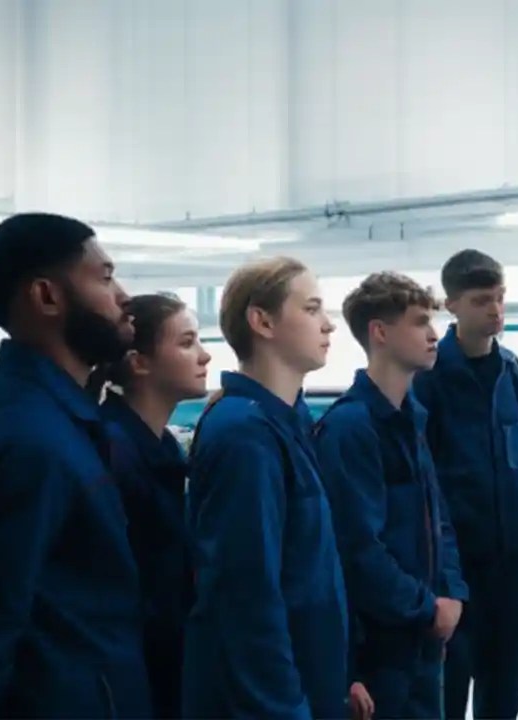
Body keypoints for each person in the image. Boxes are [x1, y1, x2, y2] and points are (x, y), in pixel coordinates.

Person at [0, 212, 151, 718]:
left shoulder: (55, 416)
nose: (124, 296)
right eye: (106, 278)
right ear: (47, 297)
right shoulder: (31, 439)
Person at [181, 257, 362, 720]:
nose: (328, 326)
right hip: (272, 702)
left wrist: (342, 677)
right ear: (262, 321)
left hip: (311, 682)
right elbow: (246, 599)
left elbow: (311, 568)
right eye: (312, 309)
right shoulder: (245, 434)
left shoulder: (291, 421)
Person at [315, 271, 469, 720]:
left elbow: (437, 519)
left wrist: (451, 594)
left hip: (421, 640)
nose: (434, 334)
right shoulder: (350, 429)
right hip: (379, 650)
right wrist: (428, 608)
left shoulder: (412, 418)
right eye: (420, 322)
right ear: (380, 332)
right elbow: (357, 549)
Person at [412, 250, 518, 720]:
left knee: (507, 670)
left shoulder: (512, 369)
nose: (496, 309)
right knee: (454, 670)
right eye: (482, 300)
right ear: (452, 305)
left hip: (513, 555)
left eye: (501, 297)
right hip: (458, 560)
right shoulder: (428, 377)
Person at [95, 292, 210, 719]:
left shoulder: (162, 447)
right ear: (139, 362)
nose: (204, 356)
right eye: (186, 343)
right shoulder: (114, 451)